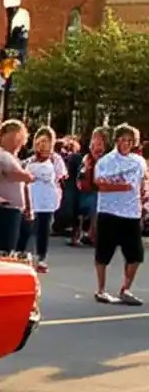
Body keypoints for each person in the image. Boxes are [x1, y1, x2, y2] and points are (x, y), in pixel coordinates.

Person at [92, 124, 145, 305]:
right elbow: (100, 183)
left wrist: (142, 195)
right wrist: (122, 187)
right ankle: (101, 290)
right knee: (103, 253)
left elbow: (141, 182)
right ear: (117, 141)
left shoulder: (138, 161)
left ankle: (126, 289)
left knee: (135, 254)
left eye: (130, 141)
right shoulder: (106, 161)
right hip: (109, 211)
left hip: (131, 212)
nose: (126, 143)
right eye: (123, 140)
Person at [20, 127, 66, 271]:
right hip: (31, 197)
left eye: (46, 142)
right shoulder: (29, 159)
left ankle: (41, 258)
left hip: (47, 198)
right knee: (27, 229)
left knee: (43, 229)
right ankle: (22, 255)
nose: (43, 145)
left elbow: (61, 176)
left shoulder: (55, 159)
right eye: (40, 142)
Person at [0, 120, 34, 253]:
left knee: (11, 248)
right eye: (17, 137)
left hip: (12, 209)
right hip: (5, 210)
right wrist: (29, 175)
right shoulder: (2, 156)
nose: (19, 142)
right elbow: (18, 175)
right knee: (5, 249)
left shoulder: (9, 157)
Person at [72, 127, 110, 247]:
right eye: (93, 144)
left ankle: (93, 233)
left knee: (98, 200)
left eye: (99, 144)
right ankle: (87, 233)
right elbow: (81, 179)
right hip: (86, 192)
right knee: (93, 200)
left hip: (102, 192)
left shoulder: (108, 160)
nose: (96, 148)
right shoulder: (86, 159)